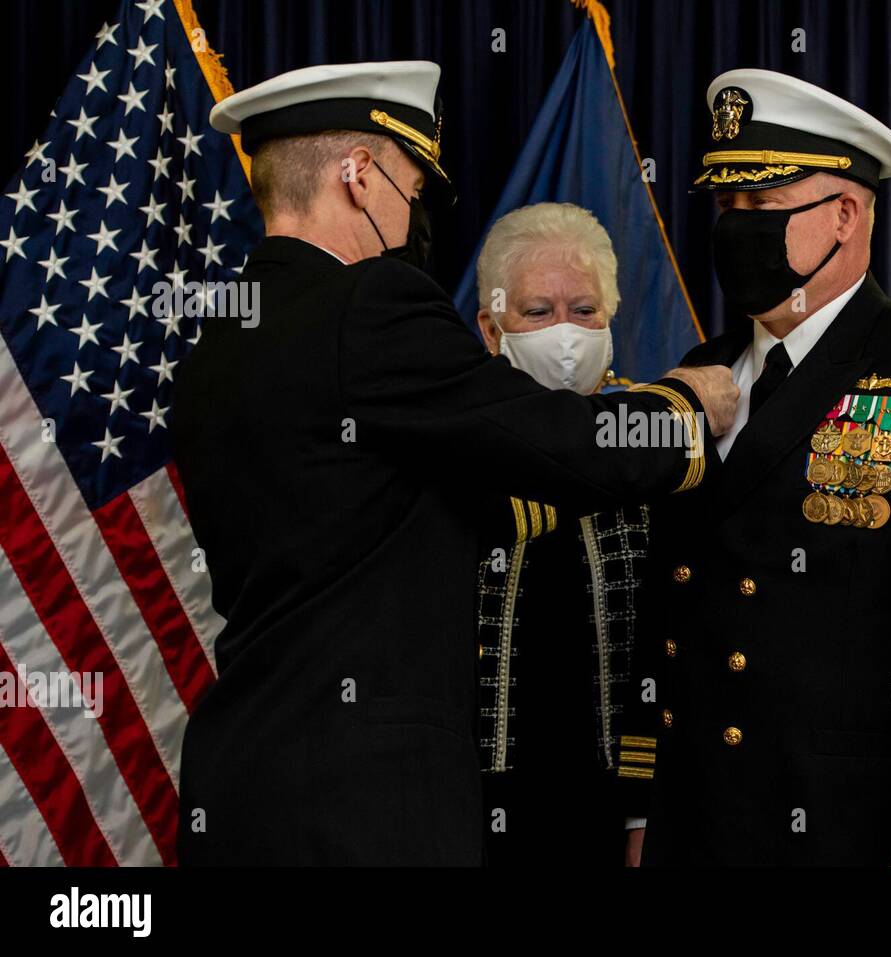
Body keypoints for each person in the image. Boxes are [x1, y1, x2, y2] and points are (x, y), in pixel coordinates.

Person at [169, 61, 738, 865]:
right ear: (359, 176)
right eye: (408, 188)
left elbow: (404, 510)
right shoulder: (369, 308)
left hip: (239, 788)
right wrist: (684, 407)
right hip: (365, 809)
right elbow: (560, 441)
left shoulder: (218, 346)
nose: (413, 220)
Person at [640, 69, 891, 866]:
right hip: (695, 815)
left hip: (847, 823)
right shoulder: (700, 370)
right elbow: (666, 606)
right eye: (726, 206)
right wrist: (640, 805)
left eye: (761, 205)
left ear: (846, 215)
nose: (735, 227)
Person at [471, 202, 661, 866]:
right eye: (537, 312)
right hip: (472, 808)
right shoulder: (454, 451)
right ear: (491, 330)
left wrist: (645, 810)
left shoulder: (656, 454)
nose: (565, 333)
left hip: (612, 811)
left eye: (584, 311)